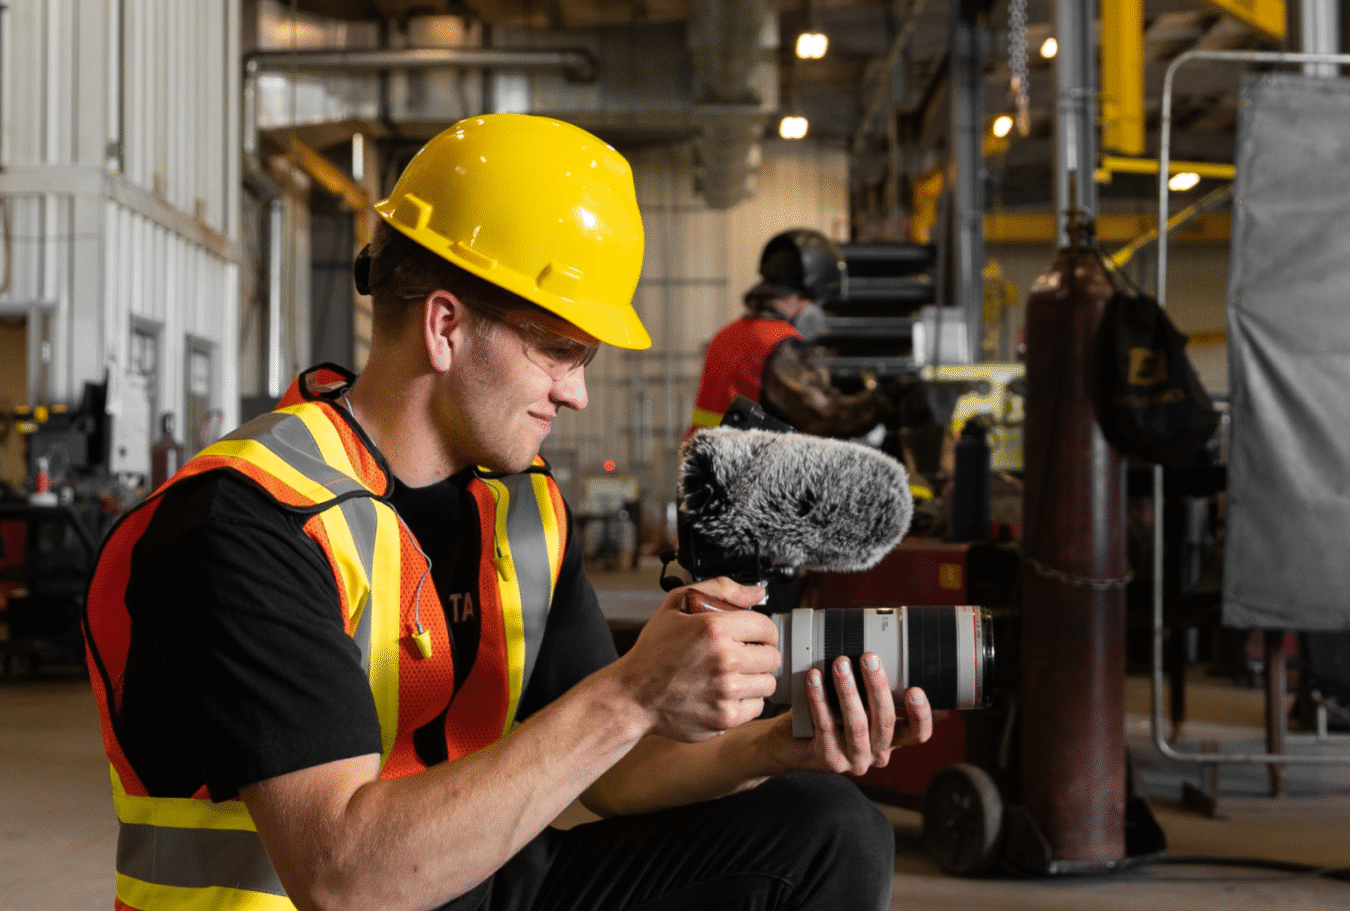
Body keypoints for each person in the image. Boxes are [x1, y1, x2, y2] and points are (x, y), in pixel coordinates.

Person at [83, 115, 932, 911]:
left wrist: (778, 744)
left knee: (829, 830)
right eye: (558, 349)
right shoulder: (245, 522)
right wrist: (630, 692)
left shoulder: (520, 509)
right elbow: (342, 876)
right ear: (446, 327)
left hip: (473, 883)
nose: (578, 390)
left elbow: (612, 772)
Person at [689, 229, 891, 439]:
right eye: (816, 302)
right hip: (749, 467)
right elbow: (826, 416)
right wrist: (882, 402)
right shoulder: (780, 344)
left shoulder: (728, 334)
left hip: (710, 462)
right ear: (799, 296)